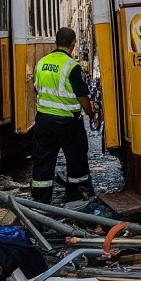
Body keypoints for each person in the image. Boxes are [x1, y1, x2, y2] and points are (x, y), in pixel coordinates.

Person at [30, 27, 99, 205]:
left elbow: (36, 88)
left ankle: (40, 201)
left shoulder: (41, 62)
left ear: (56, 42)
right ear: (73, 44)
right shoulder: (73, 67)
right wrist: (91, 115)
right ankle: (76, 196)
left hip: (44, 120)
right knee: (76, 160)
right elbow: (82, 97)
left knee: (43, 161)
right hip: (69, 122)